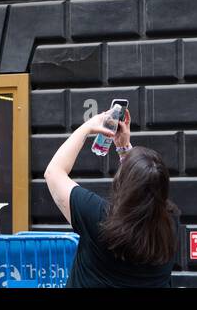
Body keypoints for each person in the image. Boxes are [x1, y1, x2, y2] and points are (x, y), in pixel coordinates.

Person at [44, 107, 180, 287]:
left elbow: (54, 172)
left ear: (121, 182)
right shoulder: (170, 225)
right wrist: (124, 148)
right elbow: (146, 191)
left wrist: (88, 127)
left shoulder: (99, 218)